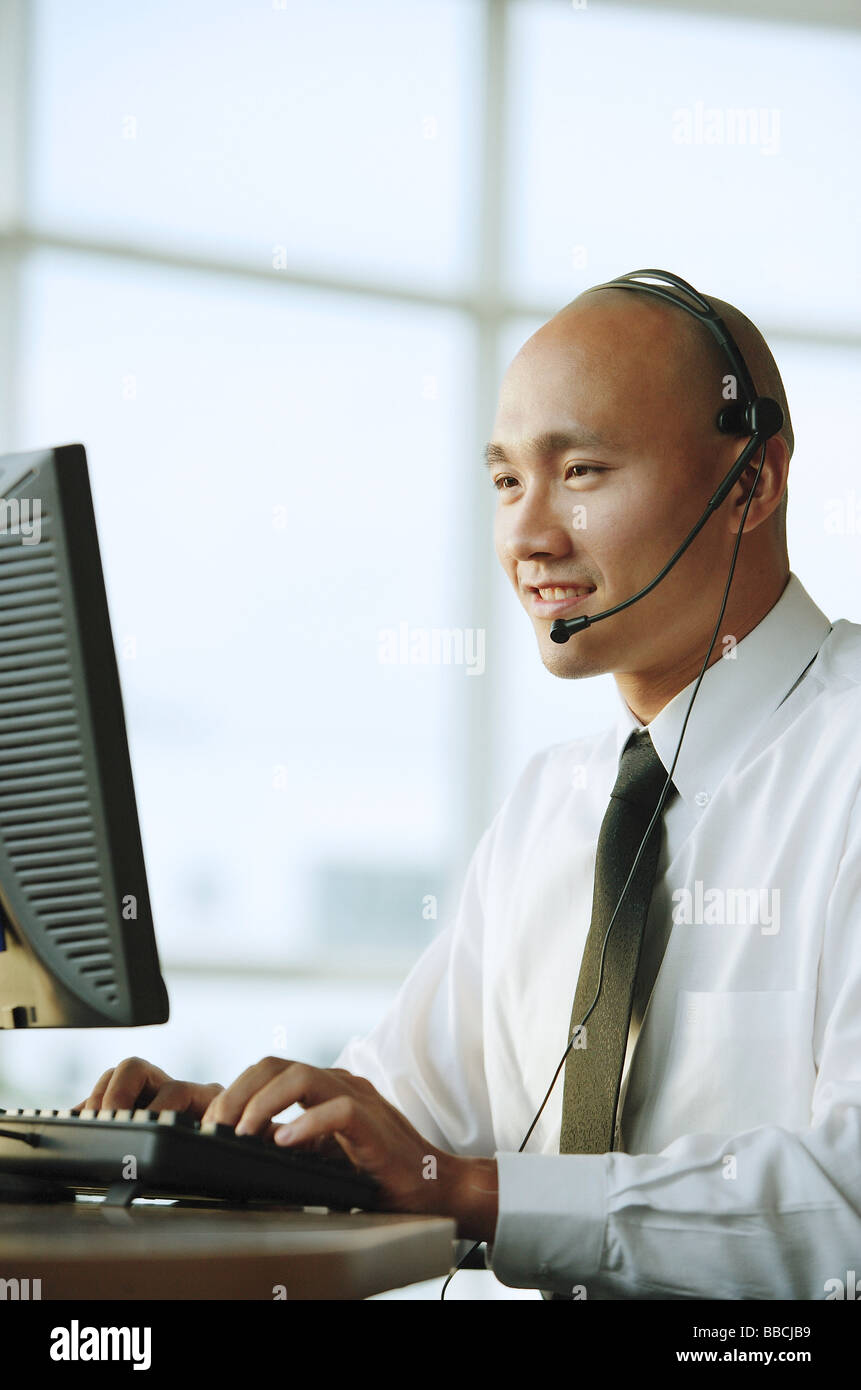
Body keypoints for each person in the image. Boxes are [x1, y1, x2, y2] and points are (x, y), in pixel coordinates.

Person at [76, 277, 861, 1299]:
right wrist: (231, 1136)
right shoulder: (556, 803)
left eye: (581, 470)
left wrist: (472, 1190)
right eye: (504, 482)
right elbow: (407, 1129)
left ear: (750, 484)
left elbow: (847, 1200)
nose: (529, 536)